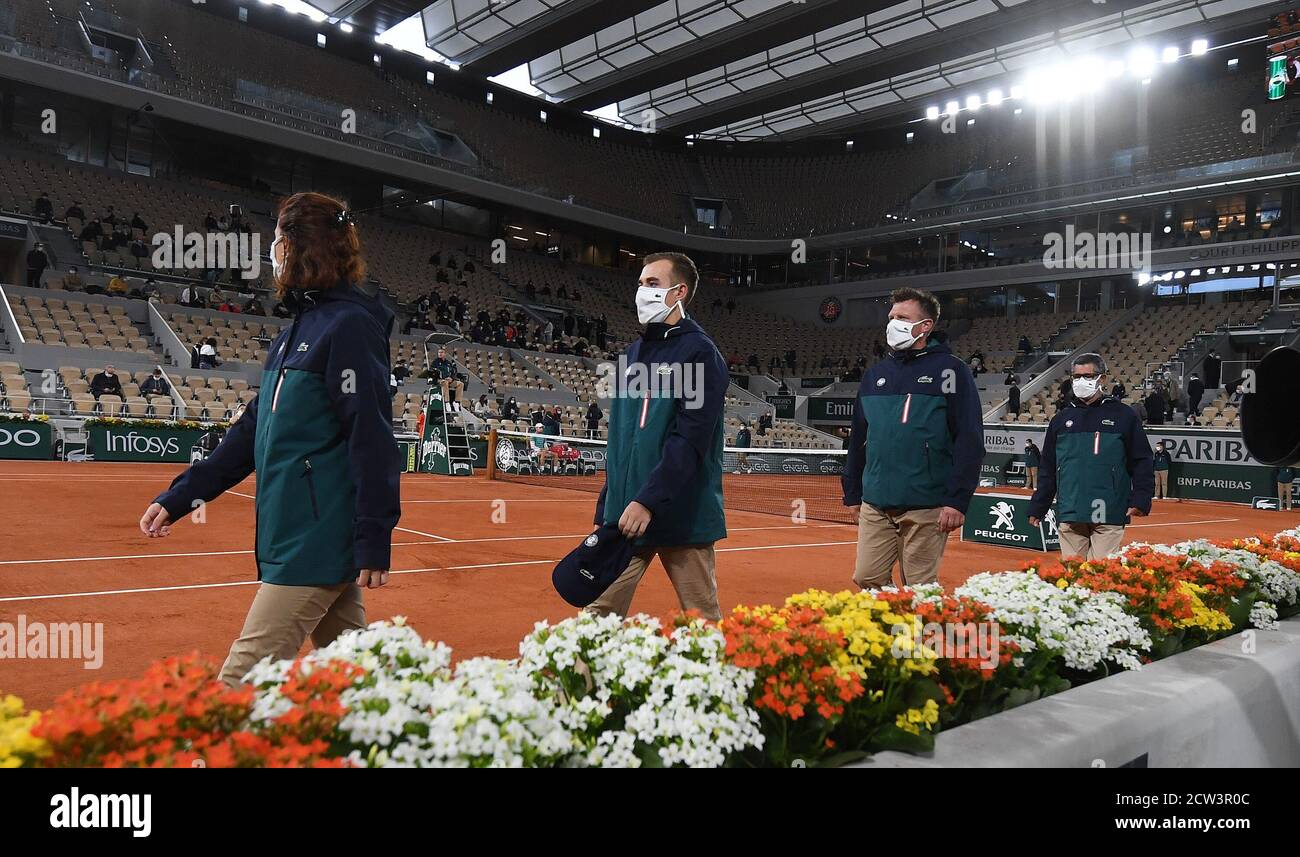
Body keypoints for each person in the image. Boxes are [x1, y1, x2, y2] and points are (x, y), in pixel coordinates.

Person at [139, 191, 400, 687]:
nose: (272, 250)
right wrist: (182, 496)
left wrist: (374, 535)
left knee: (240, 684)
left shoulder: (349, 325)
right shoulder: (296, 330)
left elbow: (371, 435)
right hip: (296, 533)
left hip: (313, 541)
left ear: (303, 246)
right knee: (359, 684)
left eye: (278, 239)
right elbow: (251, 430)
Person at [589, 251, 727, 620]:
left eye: (652, 284)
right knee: (597, 614)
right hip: (627, 514)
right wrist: (610, 500)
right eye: (640, 284)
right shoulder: (631, 355)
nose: (641, 292)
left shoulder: (700, 353)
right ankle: (582, 679)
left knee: (702, 620)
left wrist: (648, 500)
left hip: (682, 513)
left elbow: (690, 439)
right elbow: (622, 441)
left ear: (678, 292)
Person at [842, 287, 984, 588]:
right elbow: (858, 439)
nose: (893, 323)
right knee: (866, 577)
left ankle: (916, 634)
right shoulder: (874, 375)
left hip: (926, 504)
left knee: (919, 588)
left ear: (925, 326)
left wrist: (957, 501)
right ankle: (889, 631)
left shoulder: (952, 371)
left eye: (902, 317)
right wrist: (852, 492)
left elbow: (969, 439)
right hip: (875, 501)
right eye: (891, 317)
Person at [1028, 353, 1153, 560]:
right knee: (1073, 574)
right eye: (1076, 377)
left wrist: (1141, 498)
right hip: (1071, 509)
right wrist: (1039, 505)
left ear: (1102, 379)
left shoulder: (1124, 415)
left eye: (1088, 376)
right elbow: (1049, 467)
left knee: (1100, 574)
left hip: (1109, 510)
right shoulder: (1061, 420)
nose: (1080, 381)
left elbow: (1141, 460)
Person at [429, 346, 464, 413]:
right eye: (439, 352)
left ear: (445, 353)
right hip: (439, 380)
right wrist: (441, 378)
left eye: (441, 352)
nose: (440, 354)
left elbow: (453, 372)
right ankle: (447, 402)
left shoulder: (448, 363)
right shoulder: (435, 362)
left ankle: (456, 402)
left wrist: (451, 378)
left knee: (461, 384)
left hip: (449, 380)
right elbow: (432, 372)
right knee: (445, 382)